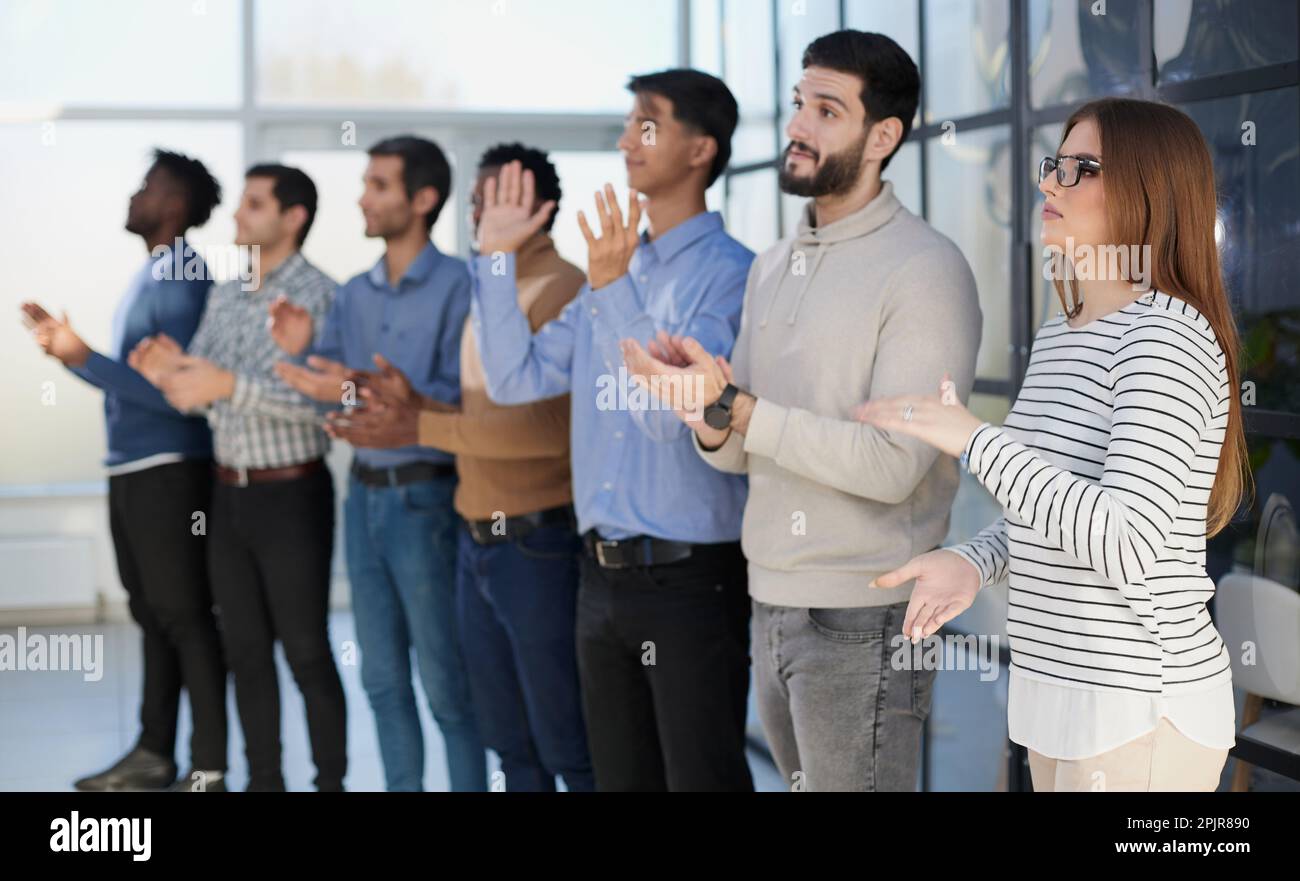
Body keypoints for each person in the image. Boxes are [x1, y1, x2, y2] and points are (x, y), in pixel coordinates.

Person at [621, 31, 981, 792]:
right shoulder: (770, 266)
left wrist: (745, 410)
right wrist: (709, 409)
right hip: (772, 602)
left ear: (884, 136)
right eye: (797, 105)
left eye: (826, 110)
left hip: (866, 617)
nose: (797, 126)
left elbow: (891, 467)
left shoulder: (927, 269)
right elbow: (737, 448)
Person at [857, 97, 1247, 792]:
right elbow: (1052, 509)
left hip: (1138, 715)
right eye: (1054, 164)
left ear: (1150, 187)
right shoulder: (1065, 333)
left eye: (1083, 168)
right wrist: (975, 562)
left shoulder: (1167, 338)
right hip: (1060, 706)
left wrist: (976, 440)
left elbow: (1127, 540)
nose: (1050, 183)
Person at [472, 70, 755, 791]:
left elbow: (671, 417)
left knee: (702, 779)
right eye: (629, 122)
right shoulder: (617, 269)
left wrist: (610, 286)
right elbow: (515, 379)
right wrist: (496, 258)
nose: (628, 138)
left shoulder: (731, 276)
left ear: (701, 150)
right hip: (597, 578)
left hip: (691, 582)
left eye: (648, 122)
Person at [325, 142, 594, 792]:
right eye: (478, 201)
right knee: (509, 742)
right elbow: (482, 404)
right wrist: (415, 403)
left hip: (536, 542)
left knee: (566, 742)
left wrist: (419, 424)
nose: (480, 214)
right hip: (477, 539)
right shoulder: (488, 287)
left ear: (541, 209)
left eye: (498, 201)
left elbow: (548, 433)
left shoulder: (563, 286)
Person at [268, 136, 486, 792]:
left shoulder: (461, 285)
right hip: (360, 497)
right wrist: (307, 356)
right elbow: (333, 384)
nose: (362, 197)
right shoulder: (356, 293)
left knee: (446, 684)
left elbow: (463, 400)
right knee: (382, 680)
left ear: (423, 200)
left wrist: (357, 385)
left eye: (379, 185)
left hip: (426, 500)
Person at [131, 164, 347, 792]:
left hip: (294, 494)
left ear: (294, 217)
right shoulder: (226, 292)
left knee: (305, 651)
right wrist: (174, 371)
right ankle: (265, 782)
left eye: (254, 205)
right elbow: (200, 389)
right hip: (228, 495)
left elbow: (322, 406)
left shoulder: (320, 295)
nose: (238, 216)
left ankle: (330, 783)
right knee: (245, 652)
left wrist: (226, 385)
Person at [21, 149, 227, 792]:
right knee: (154, 611)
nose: (134, 196)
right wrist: (78, 359)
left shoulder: (182, 270)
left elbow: (175, 392)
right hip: (137, 468)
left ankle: (209, 767)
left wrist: (82, 357)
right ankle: (154, 753)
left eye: (148, 186)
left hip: (170, 469)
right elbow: (139, 381)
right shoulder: (154, 273)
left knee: (185, 614)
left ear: (175, 204)